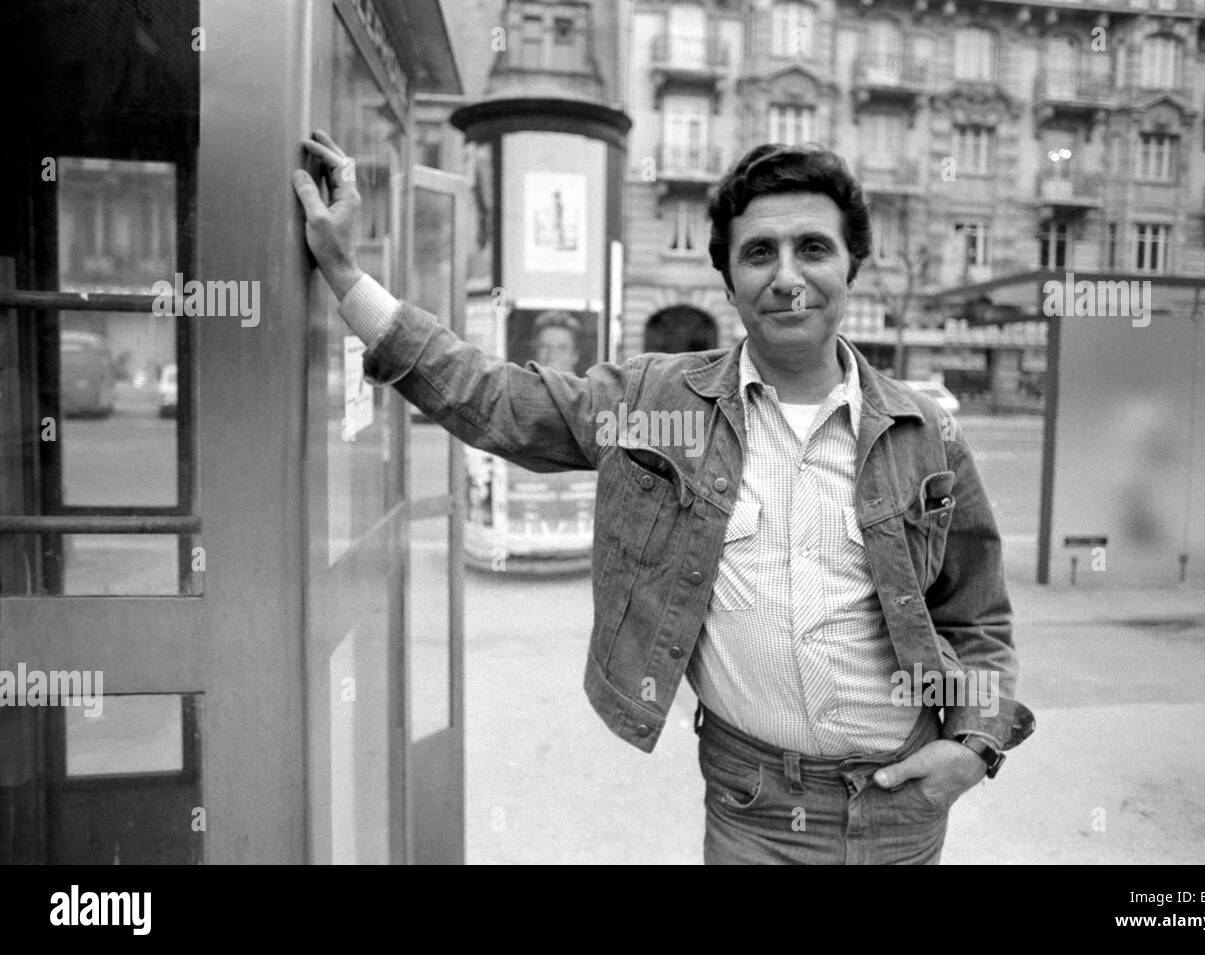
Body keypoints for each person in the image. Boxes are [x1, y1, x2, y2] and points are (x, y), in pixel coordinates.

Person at [292, 131, 1035, 865]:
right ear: (728, 277)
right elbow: (496, 398)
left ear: (852, 266)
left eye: (813, 248)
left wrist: (973, 744)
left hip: (900, 808)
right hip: (752, 811)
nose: (786, 276)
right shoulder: (656, 402)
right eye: (758, 252)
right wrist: (345, 271)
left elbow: (977, 615)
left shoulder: (927, 431)